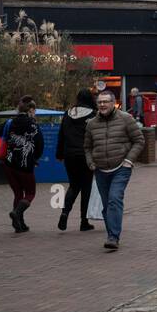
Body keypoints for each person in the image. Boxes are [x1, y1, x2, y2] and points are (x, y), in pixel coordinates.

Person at [84, 90, 144, 250]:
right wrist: (91, 163)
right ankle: (112, 234)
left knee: (114, 199)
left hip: (121, 168)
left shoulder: (126, 119)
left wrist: (129, 160)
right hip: (100, 170)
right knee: (106, 205)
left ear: (113, 103)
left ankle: (113, 237)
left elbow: (139, 141)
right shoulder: (91, 124)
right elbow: (87, 147)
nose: (102, 105)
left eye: (105, 102)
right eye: (99, 102)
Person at [56, 88, 97, 232]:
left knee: (73, 185)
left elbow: (61, 135)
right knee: (86, 188)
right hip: (86, 155)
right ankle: (83, 221)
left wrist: (59, 154)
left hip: (69, 155)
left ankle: (64, 213)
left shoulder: (67, 114)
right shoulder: (93, 115)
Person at [2, 95, 44, 233]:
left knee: (18, 193)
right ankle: (16, 213)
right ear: (31, 110)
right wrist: (34, 158)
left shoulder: (9, 123)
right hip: (25, 165)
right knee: (30, 193)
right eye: (35, 110)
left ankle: (20, 224)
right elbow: (39, 145)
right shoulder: (33, 125)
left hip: (8, 164)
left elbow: (1, 139)